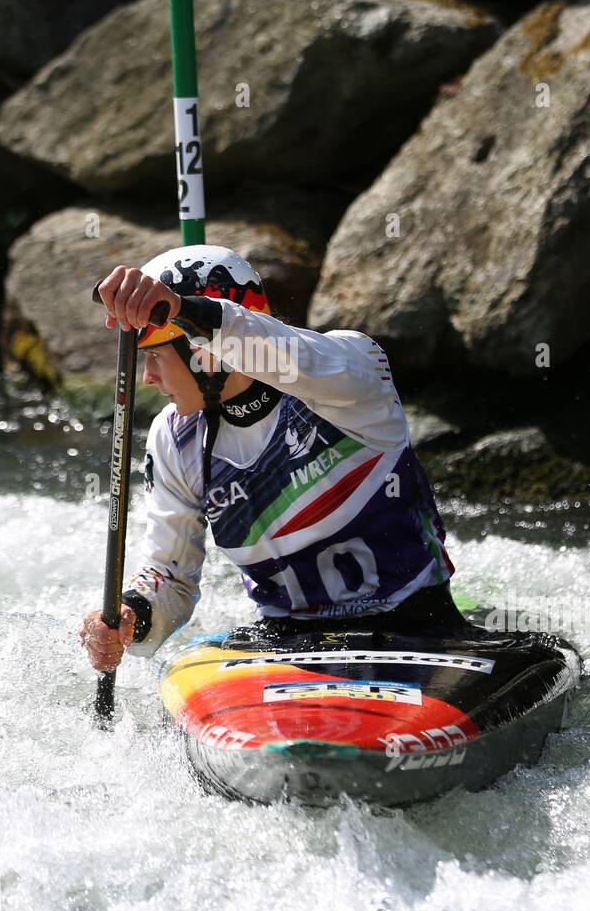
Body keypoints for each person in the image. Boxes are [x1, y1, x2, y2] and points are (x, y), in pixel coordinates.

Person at [79, 245, 469, 675]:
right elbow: (171, 577)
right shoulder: (176, 437)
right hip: (283, 643)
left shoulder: (349, 375)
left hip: (420, 629)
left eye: (154, 356)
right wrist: (133, 615)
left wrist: (186, 312)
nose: (148, 378)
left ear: (204, 353)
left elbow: (282, 352)